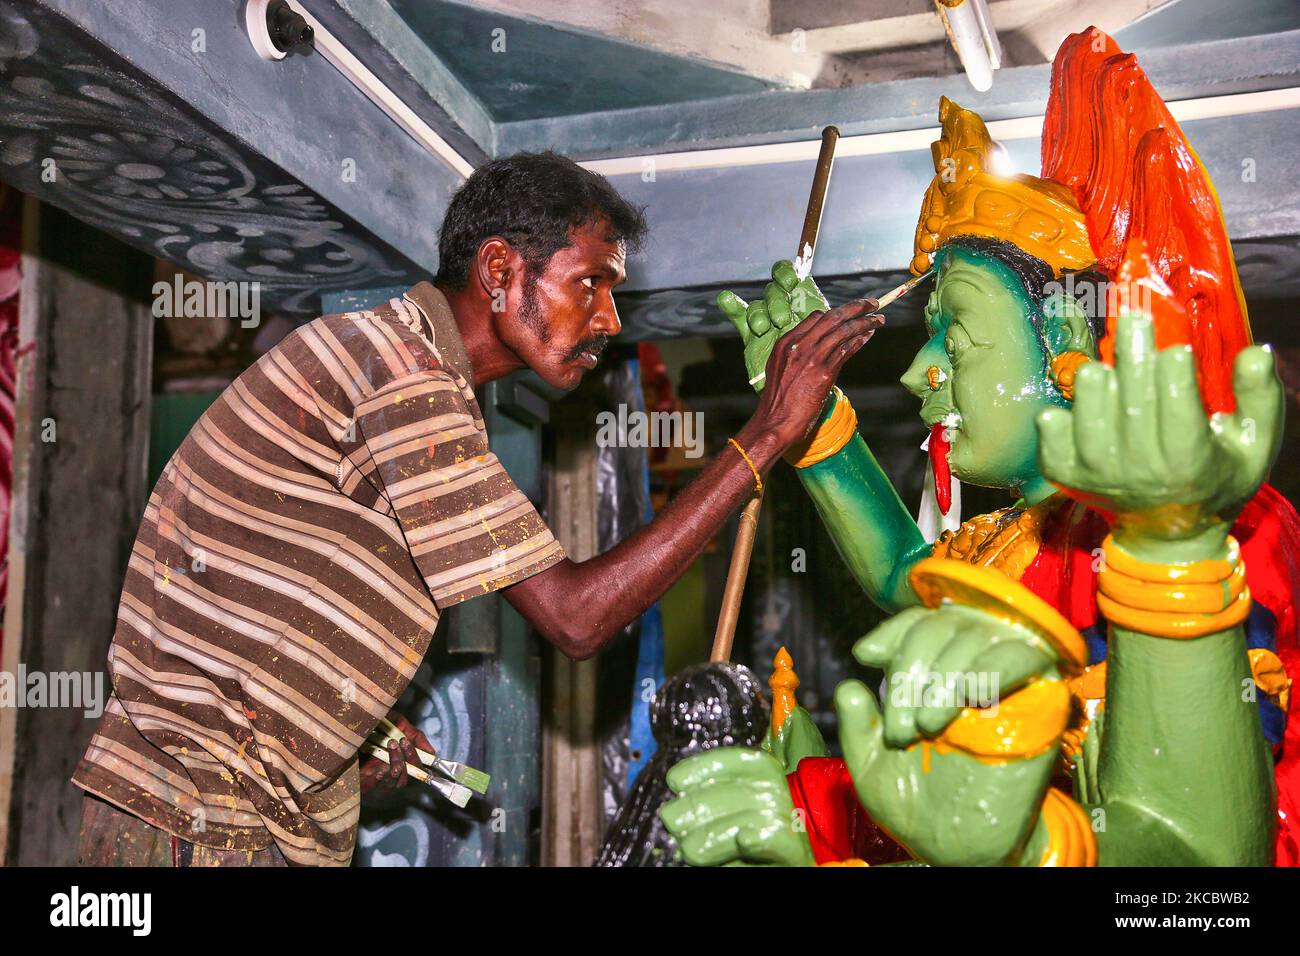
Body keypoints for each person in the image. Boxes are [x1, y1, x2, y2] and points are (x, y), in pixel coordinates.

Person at [72, 151, 880, 866]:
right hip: (200, 808)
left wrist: (349, 728)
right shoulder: (405, 375)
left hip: (219, 803)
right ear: (499, 270)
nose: (609, 319)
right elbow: (576, 618)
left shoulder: (398, 364)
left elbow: (259, 595)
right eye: (590, 282)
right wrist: (767, 434)